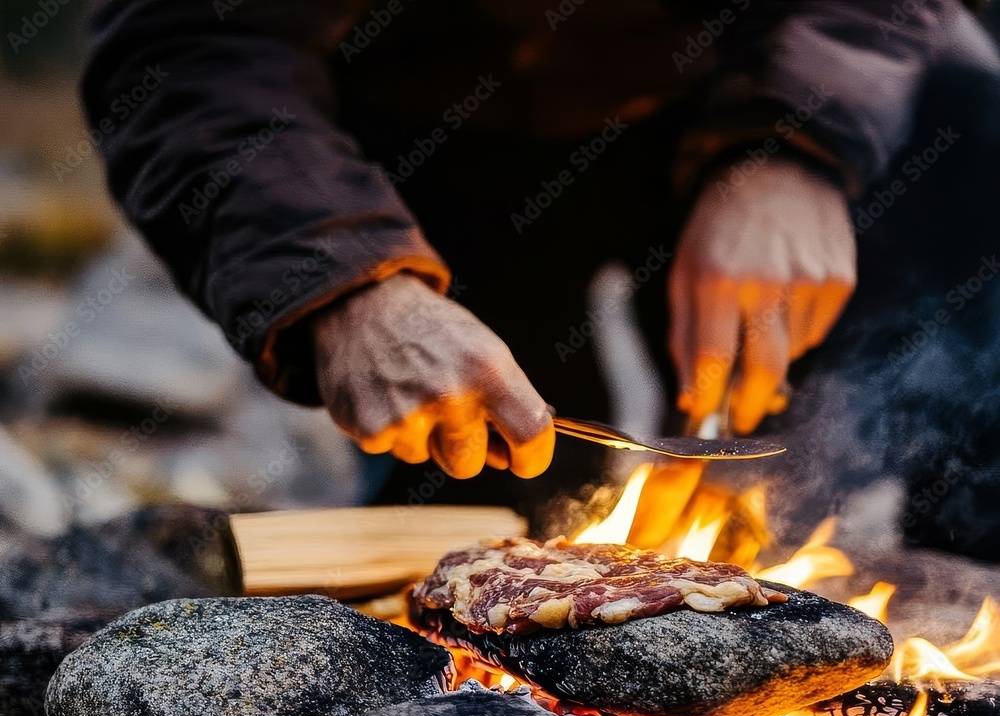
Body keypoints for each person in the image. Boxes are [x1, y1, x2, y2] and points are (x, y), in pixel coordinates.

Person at [82, 0, 1000, 512]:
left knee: (970, 124)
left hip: (753, 76)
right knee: (494, 513)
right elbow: (185, 44)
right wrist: (347, 286)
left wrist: (793, 148)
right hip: (424, 134)